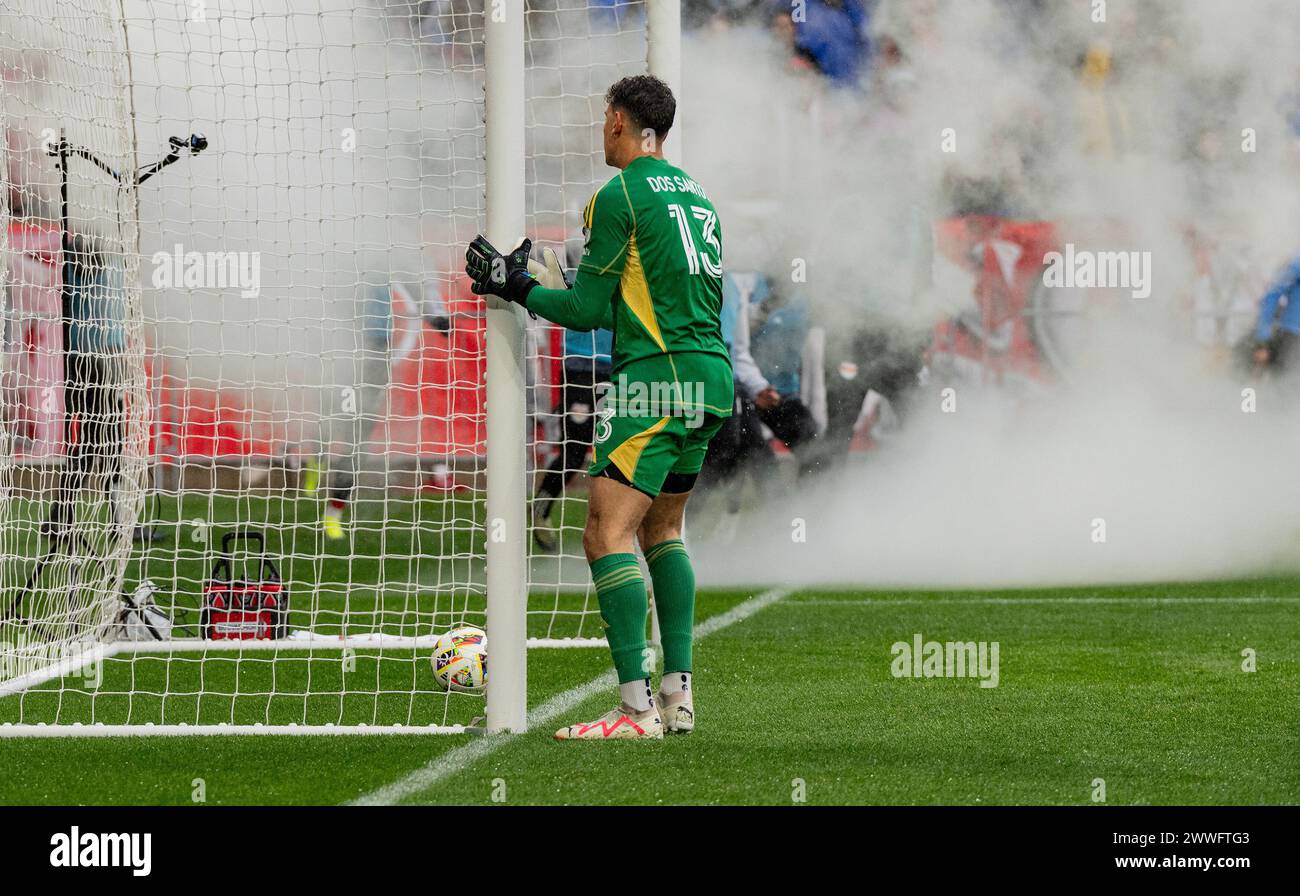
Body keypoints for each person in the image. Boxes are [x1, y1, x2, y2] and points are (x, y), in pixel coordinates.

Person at [466, 75, 732, 740]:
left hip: (654, 382)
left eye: (601, 117)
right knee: (662, 531)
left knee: (604, 534)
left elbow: (587, 310)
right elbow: (640, 292)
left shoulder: (617, 195)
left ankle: (636, 711)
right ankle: (678, 696)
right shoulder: (698, 197)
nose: (599, 130)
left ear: (618, 120)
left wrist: (516, 284)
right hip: (710, 379)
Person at [531, 308, 613, 553]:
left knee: (617, 451)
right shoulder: (577, 269)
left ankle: (614, 527)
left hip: (621, 363)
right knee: (575, 451)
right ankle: (540, 509)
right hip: (580, 365)